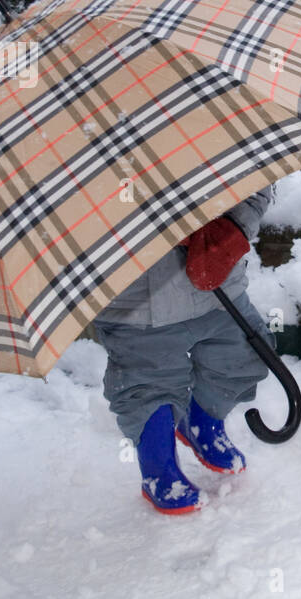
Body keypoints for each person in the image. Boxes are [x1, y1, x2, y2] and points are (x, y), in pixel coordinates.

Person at [92, 185, 275, 515]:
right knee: (147, 383)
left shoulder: (205, 134)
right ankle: (159, 467)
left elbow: (257, 178)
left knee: (242, 353)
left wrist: (232, 229)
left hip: (217, 284)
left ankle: (203, 420)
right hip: (136, 301)